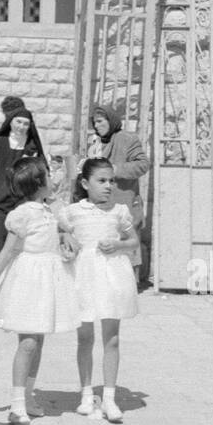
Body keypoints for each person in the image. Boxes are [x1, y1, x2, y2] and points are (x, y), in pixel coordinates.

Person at [0, 158, 78, 425]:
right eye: (48, 174)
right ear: (38, 184)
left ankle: (29, 396)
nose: (52, 178)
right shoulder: (22, 214)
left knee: (39, 340)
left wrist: (66, 242)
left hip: (48, 280)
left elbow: (63, 231)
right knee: (28, 342)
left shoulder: (50, 210)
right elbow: (8, 251)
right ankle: (17, 403)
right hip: (28, 282)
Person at [61, 157, 139, 421]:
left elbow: (134, 241)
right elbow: (58, 231)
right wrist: (65, 236)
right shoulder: (73, 211)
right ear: (85, 183)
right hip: (83, 276)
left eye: (111, 181)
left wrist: (118, 245)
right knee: (85, 337)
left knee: (112, 337)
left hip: (111, 276)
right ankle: (85, 394)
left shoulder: (119, 211)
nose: (108, 186)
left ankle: (109, 398)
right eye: (101, 181)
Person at [0, 108, 45, 279]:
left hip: (22, 197)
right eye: (18, 122)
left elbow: (41, 170)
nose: (21, 126)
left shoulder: (32, 146)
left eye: (25, 123)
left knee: (19, 235)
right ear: (10, 122)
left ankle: (14, 272)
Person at [86, 102, 149, 288]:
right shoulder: (95, 143)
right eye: (94, 123)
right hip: (102, 201)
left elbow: (143, 164)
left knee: (126, 240)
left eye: (100, 121)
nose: (97, 126)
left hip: (124, 199)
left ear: (110, 120)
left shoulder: (127, 139)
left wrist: (115, 169)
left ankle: (129, 282)